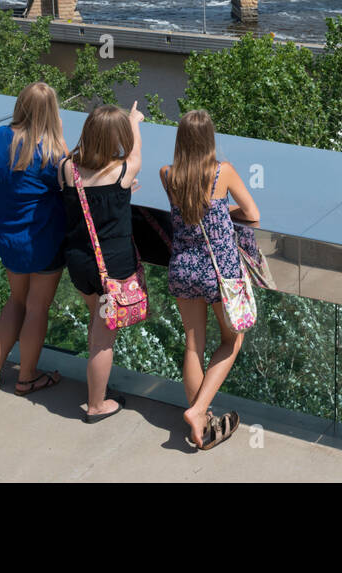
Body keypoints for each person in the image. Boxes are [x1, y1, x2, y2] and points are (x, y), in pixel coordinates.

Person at [161, 110, 259, 450]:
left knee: (193, 346)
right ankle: (199, 410)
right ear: (209, 140)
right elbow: (253, 214)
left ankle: (199, 427)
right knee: (232, 340)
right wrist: (222, 211)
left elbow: (187, 209)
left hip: (183, 267)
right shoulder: (223, 171)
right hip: (219, 272)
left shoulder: (168, 174)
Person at [0, 82, 68, 395]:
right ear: (53, 112)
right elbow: (69, 182)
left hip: (10, 237)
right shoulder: (53, 152)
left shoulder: (0, 138)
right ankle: (26, 377)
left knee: (16, 300)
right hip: (45, 241)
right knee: (38, 308)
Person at [60, 102, 144, 423]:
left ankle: (99, 388)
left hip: (80, 262)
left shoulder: (67, 169)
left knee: (97, 324)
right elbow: (134, 152)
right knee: (103, 340)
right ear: (117, 138)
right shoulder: (124, 172)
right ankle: (97, 404)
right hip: (114, 270)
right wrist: (134, 121)